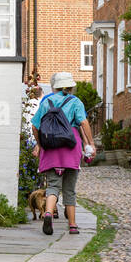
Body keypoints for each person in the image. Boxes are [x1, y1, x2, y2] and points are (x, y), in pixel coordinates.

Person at [31, 72, 96, 235]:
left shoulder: (47, 102)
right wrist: (91, 143)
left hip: (51, 147)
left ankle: (48, 213)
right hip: (71, 146)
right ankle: (73, 225)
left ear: (55, 86)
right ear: (71, 86)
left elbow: (35, 126)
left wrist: (40, 145)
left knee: (53, 186)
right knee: (69, 188)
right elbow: (83, 122)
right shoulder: (75, 102)